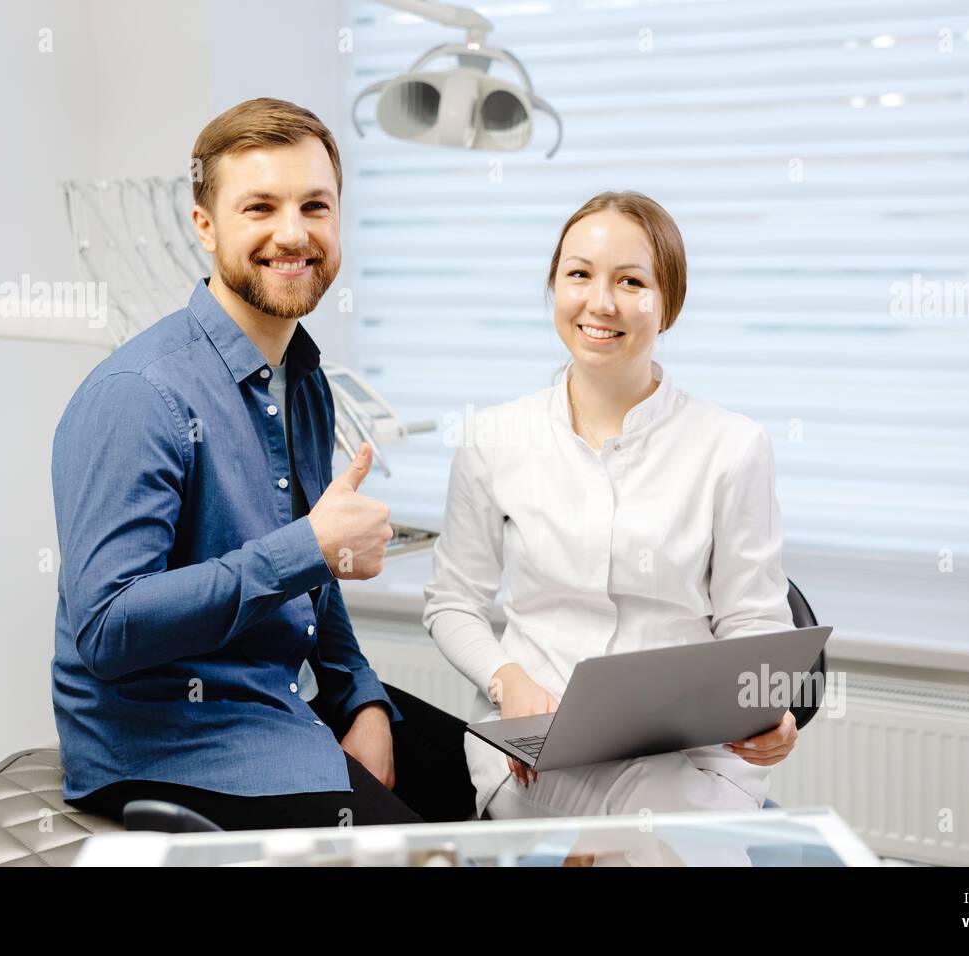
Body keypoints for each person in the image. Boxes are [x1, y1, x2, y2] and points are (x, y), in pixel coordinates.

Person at [52, 98, 474, 830]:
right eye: (260, 207)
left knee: (490, 785)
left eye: (315, 205)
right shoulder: (139, 395)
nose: (293, 232)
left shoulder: (304, 382)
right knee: (427, 851)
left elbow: (313, 577)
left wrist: (362, 696)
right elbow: (107, 631)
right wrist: (308, 546)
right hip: (173, 745)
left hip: (273, 705)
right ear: (205, 226)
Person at [423, 191, 801, 830]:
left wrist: (768, 708)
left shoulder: (733, 447)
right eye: (579, 275)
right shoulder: (493, 437)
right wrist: (505, 680)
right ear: (554, 287)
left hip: (689, 759)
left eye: (631, 281)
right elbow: (452, 600)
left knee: (650, 830)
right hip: (539, 751)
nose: (600, 303)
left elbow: (754, 617)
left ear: (668, 304)